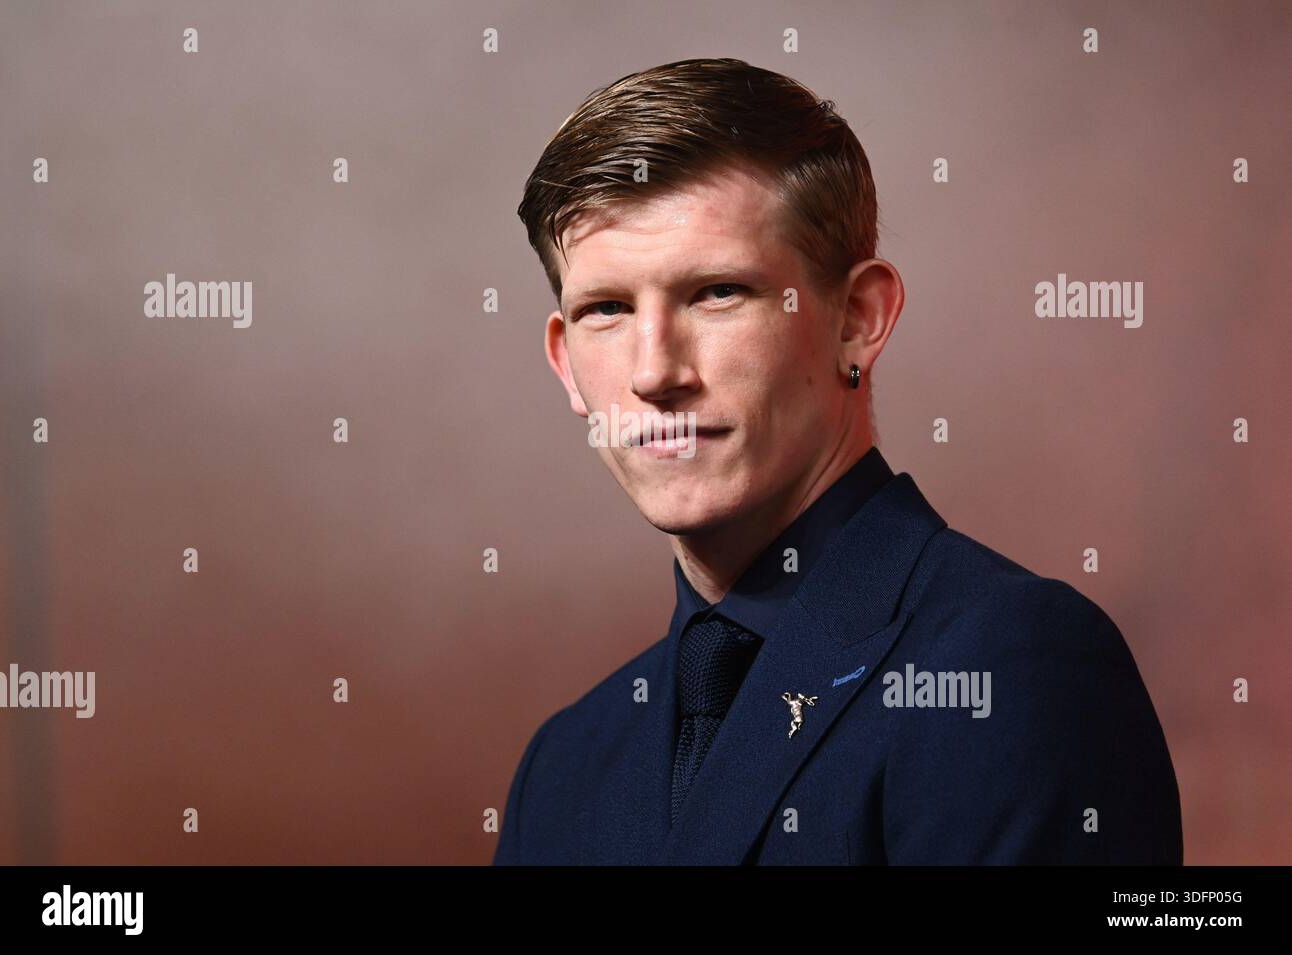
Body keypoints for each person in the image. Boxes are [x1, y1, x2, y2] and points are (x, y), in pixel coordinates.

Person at [493, 57, 1182, 865]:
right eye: (606, 309)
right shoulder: (567, 762)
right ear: (566, 363)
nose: (654, 372)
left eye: (717, 292)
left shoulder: (1011, 665)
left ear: (858, 318)